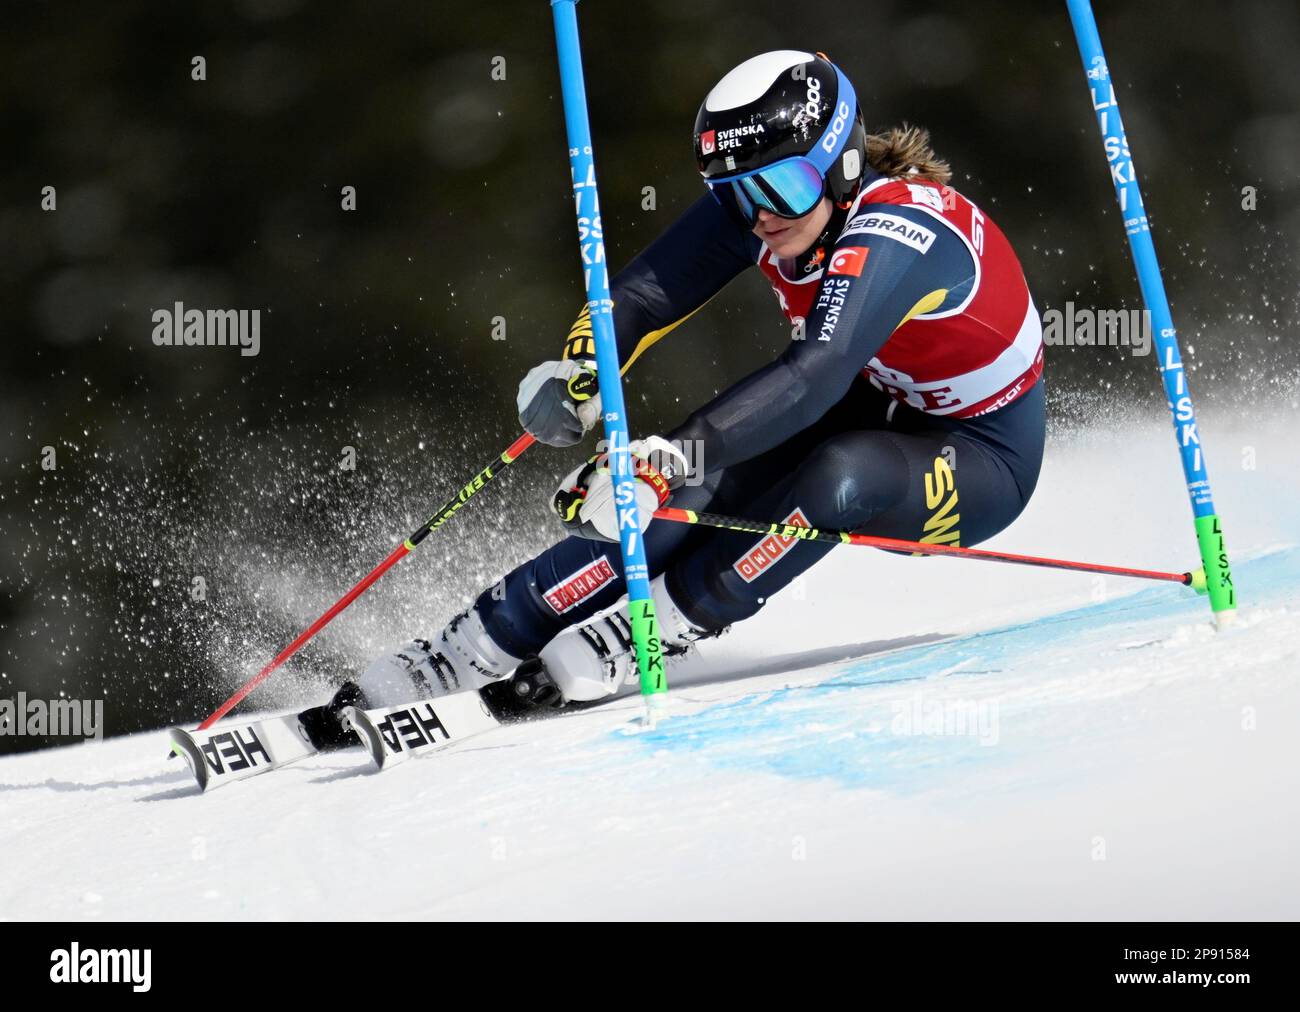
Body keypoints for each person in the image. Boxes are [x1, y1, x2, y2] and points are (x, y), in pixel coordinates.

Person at [298, 49, 1046, 749]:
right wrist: (582, 373)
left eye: (782, 187)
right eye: (736, 193)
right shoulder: (776, 206)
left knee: (833, 476)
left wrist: (665, 456)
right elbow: (638, 298)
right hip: (863, 399)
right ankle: (463, 649)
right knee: (680, 487)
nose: (761, 216)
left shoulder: (901, 231)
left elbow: (814, 373)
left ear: (842, 163)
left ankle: (650, 630)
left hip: (978, 457)